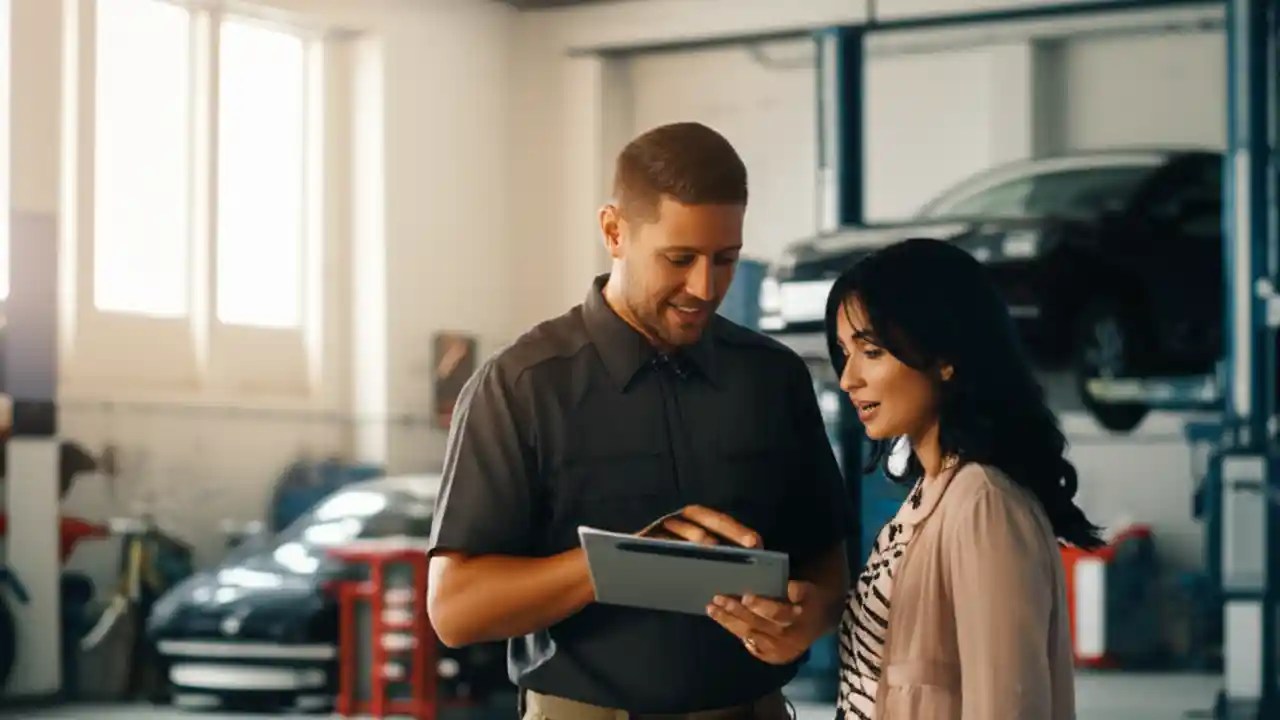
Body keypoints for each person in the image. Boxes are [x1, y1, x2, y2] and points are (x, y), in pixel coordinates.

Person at [426, 121, 855, 719]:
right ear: (613, 231)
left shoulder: (773, 379)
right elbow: (455, 610)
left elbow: (826, 563)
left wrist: (808, 618)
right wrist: (619, 566)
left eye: (725, 259)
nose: (705, 287)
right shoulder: (521, 388)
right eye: (679, 259)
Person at [824, 237, 1102, 720]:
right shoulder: (928, 496)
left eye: (871, 351)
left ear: (944, 356)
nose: (849, 378)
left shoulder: (983, 504)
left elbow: (1006, 706)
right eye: (844, 352)